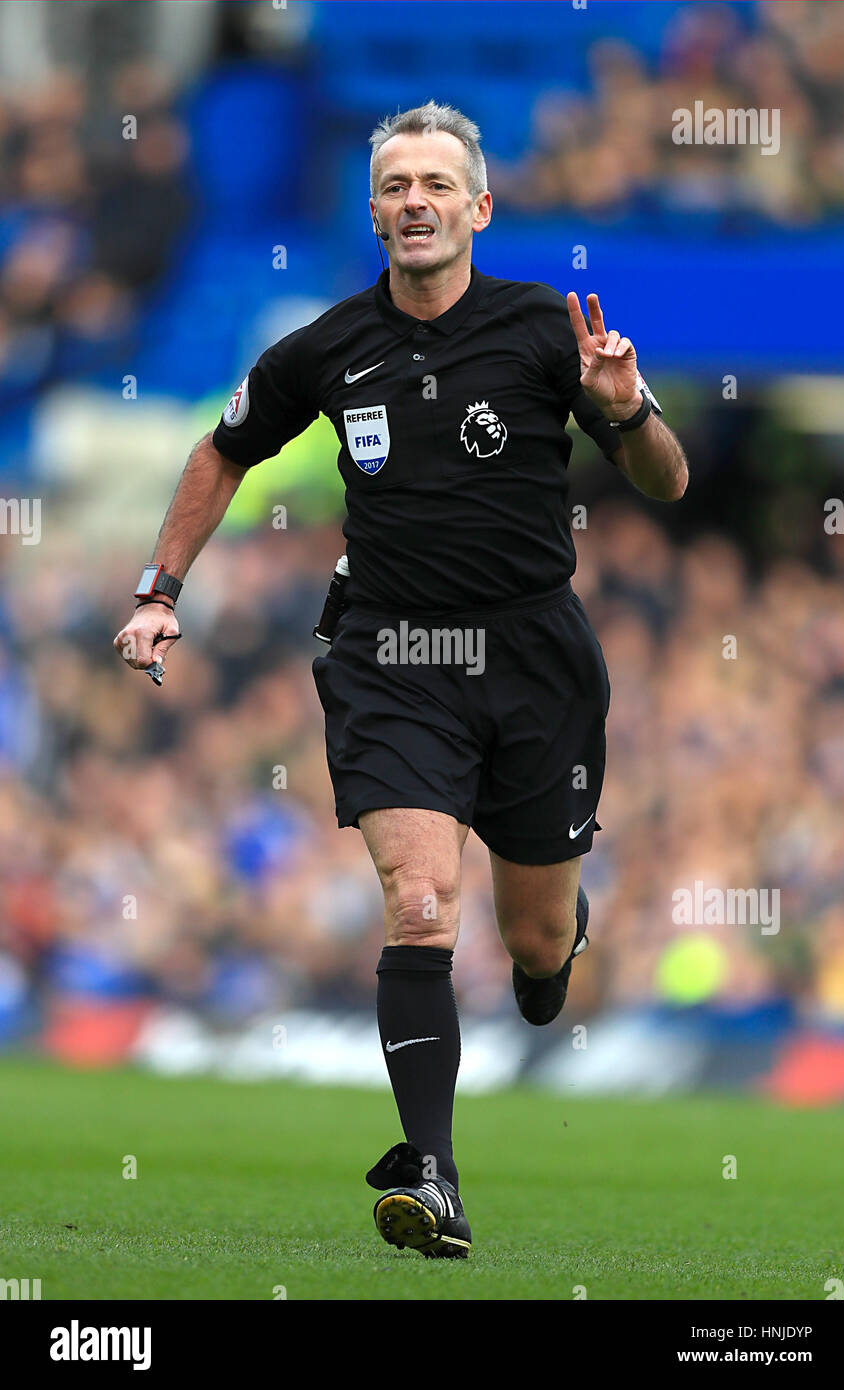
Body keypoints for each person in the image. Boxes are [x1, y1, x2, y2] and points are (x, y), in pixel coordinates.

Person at [113, 101, 688, 1260]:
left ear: (478, 207)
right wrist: (159, 587)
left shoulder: (543, 330)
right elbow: (223, 448)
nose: (413, 201)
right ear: (371, 208)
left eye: (436, 183)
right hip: (394, 656)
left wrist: (625, 411)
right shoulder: (326, 350)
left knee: (532, 943)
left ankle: (548, 954)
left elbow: (665, 480)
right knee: (419, 901)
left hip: (534, 660)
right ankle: (430, 1172)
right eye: (393, 185)